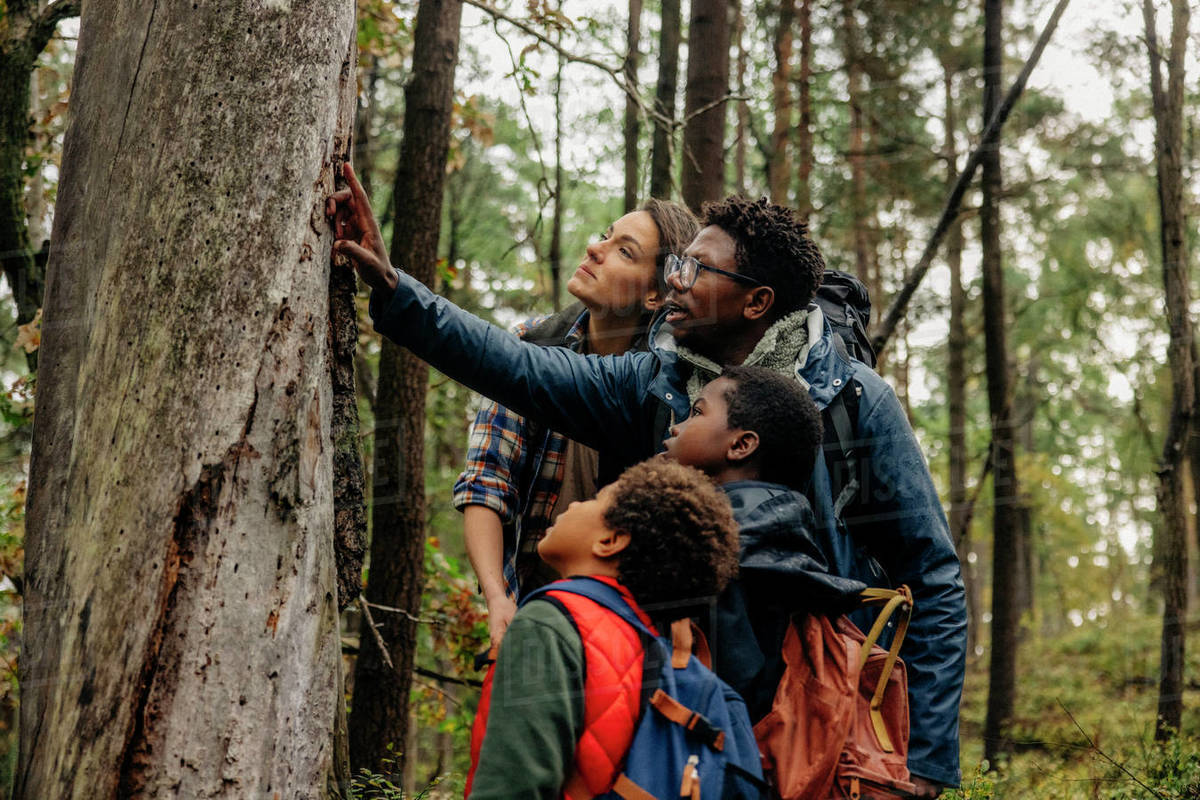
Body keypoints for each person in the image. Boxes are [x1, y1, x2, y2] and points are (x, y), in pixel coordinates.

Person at [328, 164, 966, 794]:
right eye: (676, 265)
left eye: (696, 270)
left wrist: (928, 765)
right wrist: (393, 288)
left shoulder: (855, 401)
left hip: (813, 713)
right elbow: (520, 367)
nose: (677, 282)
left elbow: (932, 575)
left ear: (757, 302)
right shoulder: (656, 380)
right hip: (688, 705)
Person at [453, 200, 699, 650]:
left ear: (654, 295)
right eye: (605, 235)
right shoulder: (535, 342)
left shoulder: (671, 387)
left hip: (631, 627)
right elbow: (488, 481)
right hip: (537, 607)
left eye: (624, 251)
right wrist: (498, 597)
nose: (594, 248)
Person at [466, 459, 740, 799]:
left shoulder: (550, 622)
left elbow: (512, 787)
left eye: (594, 501)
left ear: (610, 541)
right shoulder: (646, 647)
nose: (576, 503)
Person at [661, 365, 869, 720]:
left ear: (741, 445)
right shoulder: (779, 541)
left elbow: (725, 699)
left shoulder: (710, 552)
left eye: (697, 411)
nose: (675, 426)